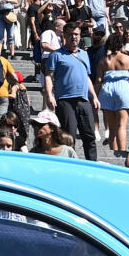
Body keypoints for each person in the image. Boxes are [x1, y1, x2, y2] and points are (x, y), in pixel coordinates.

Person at [43, 26, 100, 161]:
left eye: (76, 34)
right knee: (69, 137)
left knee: (89, 135)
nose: (74, 37)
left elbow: (87, 77)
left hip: (83, 99)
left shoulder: (84, 54)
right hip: (65, 100)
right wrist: (50, 95)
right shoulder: (56, 55)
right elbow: (48, 76)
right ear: (65, 36)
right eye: (71, 34)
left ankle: (93, 164)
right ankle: (71, 164)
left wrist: (94, 97)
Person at [97, 33, 129, 162]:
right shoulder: (128, 59)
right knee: (122, 125)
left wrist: (94, 96)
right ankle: (122, 153)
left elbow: (98, 80)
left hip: (107, 90)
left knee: (111, 128)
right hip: (123, 89)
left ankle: (112, 153)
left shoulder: (104, 60)